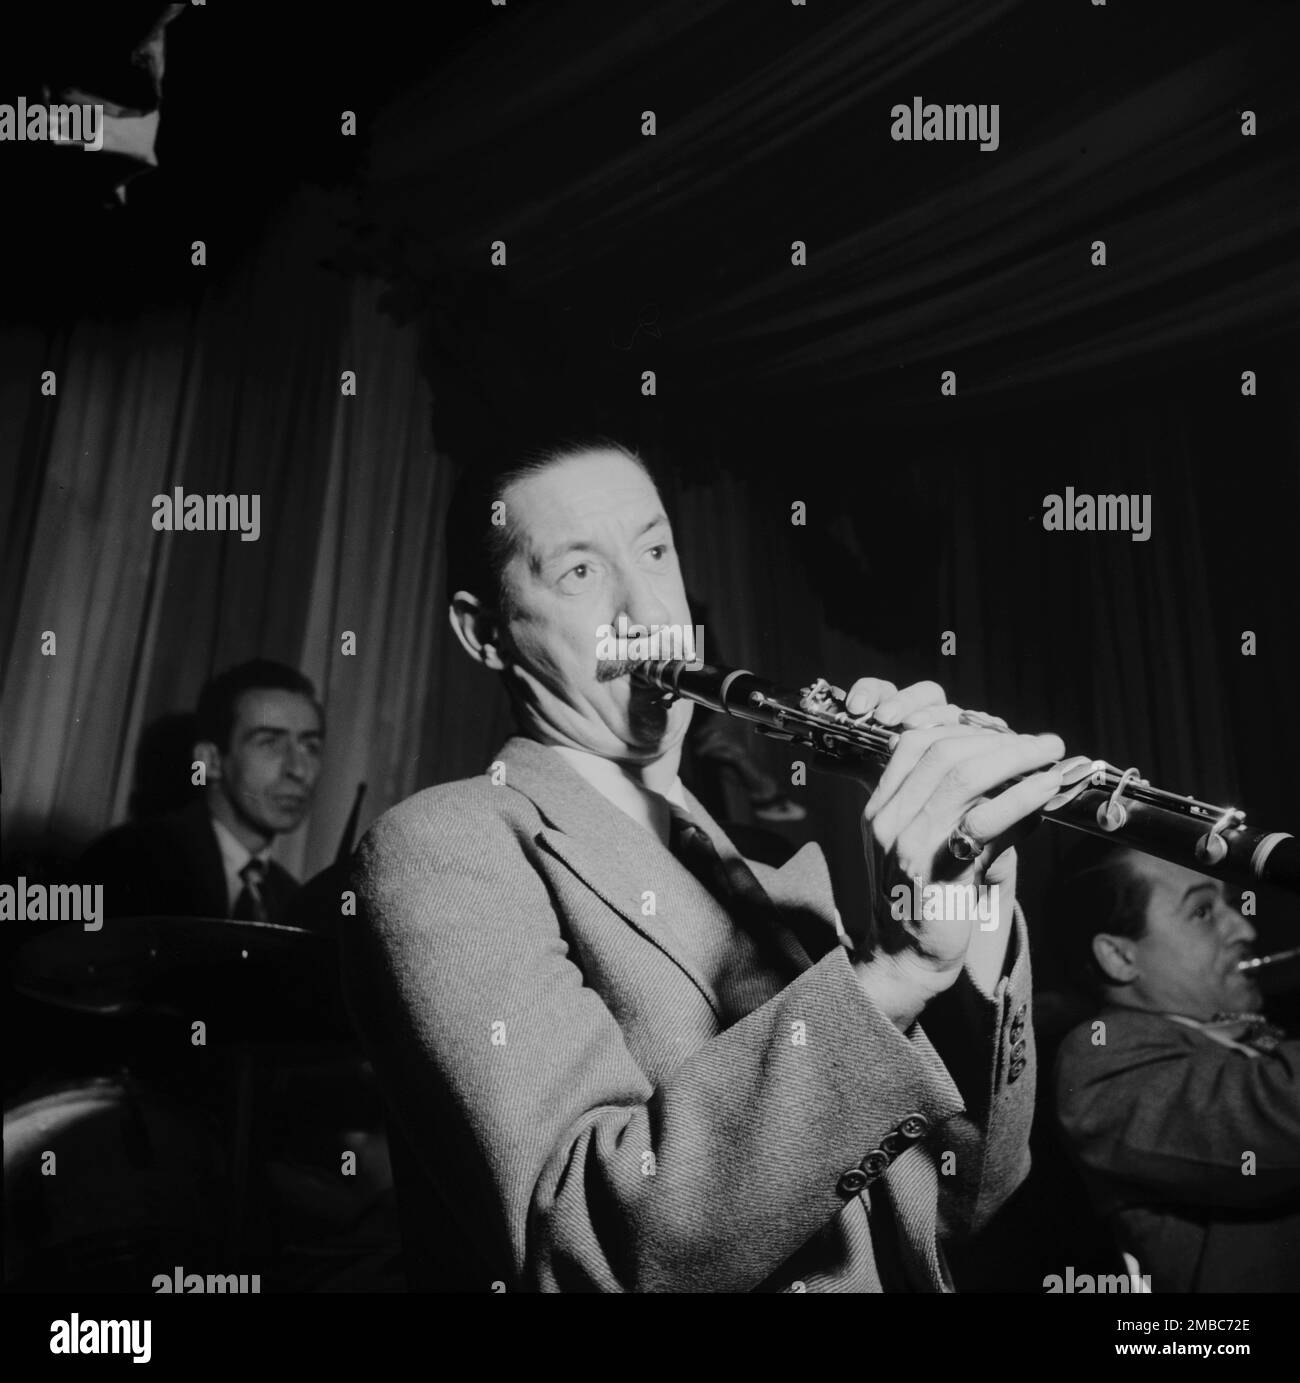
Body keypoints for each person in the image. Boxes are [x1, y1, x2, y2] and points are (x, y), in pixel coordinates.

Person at [342, 437, 1065, 1292]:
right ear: (484, 632)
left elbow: (961, 1207)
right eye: (579, 571)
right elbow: (588, 1248)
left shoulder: (777, 881)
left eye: (654, 551)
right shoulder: (447, 843)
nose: (646, 607)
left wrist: (970, 901)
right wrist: (894, 971)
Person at [1052, 838, 1300, 1292]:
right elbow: (1280, 1113)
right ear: (1121, 956)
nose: (1244, 929)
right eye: (1203, 912)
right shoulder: (1099, 1056)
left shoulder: (1254, 1032)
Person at [82, 659, 325, 924]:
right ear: (210, 760)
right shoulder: (130, 862)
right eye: (269, 743)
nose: (298, 770)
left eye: (310, 747)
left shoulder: (291, 900)